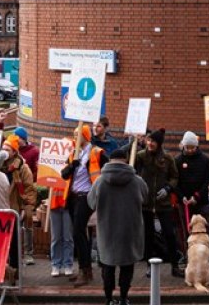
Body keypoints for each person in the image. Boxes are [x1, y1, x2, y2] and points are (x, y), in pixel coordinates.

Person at [89, 148, 148, 305]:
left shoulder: (100, 181)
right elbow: (146, 197)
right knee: (127, 265)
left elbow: (91, 202)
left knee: (107, 266)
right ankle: (123, 298)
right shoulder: (137, 181)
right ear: (126, 160)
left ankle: (108, 299)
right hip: (130, 230)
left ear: (110, 161)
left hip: (107, 230)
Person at [62, 124, 108, 287]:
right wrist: (71, 166)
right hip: (73, 198)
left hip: (87, 197)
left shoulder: (96, 152)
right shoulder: (75, 153)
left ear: (86, 136)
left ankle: (84, 269)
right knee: (81, 234)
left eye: (77, 134)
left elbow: (106, 172)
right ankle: (86, 269)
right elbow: (64, 174)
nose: (75, 137)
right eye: (74, 134)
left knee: (77, 232)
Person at [133, 128, 182, 278]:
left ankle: (175, 265)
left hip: (163, 203)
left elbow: (174, 177)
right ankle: (149, 265)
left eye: (153, 141)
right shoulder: (140, 156)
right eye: (148, 140)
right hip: (146, 202)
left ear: (159, 143)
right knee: (147, 236)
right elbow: (131, 168)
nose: (150, 143)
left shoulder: (167, 158)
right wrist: (133, 142)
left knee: (169, 233)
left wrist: (168, 189)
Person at [174, 130, 209, 261]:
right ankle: (189, 258)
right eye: (187, 147)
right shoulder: (178, 160)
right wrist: (182, 197)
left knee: (205, 233)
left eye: (192, 147)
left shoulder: (205, 160)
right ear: (183, 146)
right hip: (184, 202)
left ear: (197, 146)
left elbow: (208, 180)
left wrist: (196, 197)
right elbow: (175, 181)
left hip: (201, 202)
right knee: (186, 232)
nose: (190, 150)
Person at [1, 135, 37, 271]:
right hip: (1, 208)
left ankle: (15, 269)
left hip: (14, 208)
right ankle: (2, 269)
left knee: (14, 241)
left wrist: (25, 209)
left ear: (15, 152)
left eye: (7, 150)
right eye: (3, 149)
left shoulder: (22, 168)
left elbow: (29, 189)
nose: (4, 152)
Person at [12, 128, 40, 265]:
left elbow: (37, 172)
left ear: (23, 138)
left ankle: (29, 253)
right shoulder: (11, 153)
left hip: (27, 191)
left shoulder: (34, 151)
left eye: (18, 139)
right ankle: (16, 253)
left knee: (28, 222)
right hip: (14, 194)